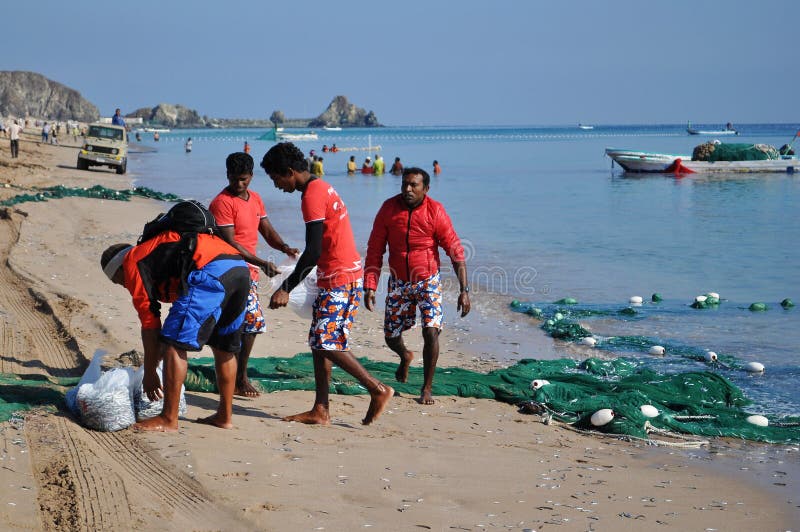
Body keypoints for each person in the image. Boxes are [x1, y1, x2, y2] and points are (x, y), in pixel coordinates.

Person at [259, 142, 393, 425]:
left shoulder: (311, 196)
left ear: (290, 171)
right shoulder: (321, 187)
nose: (277, 185)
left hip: (341, 279)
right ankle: (321, 409)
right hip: (337, 275)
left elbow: (313, 251)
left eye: (276, 178)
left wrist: (287, 287)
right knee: (318, 342)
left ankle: (377, 389)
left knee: (325, 340)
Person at [100, 230, 250, 431]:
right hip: (239, 268)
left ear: (119, 269)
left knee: (174, 344)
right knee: (224, 347)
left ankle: (169, 419)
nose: (125, 285)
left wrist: (151, 372)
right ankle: (224, 416)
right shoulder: (155, 252)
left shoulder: (132, 262)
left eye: (120, 281)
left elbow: (149, 323)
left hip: (210, 271)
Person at [364, 167, 470, 405]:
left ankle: (426, 388)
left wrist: (464, 291)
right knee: (391, 336)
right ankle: (405, 356)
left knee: (431, 330)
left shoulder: (436, 211)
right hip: (399, 282)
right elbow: (375, 249)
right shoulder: (389, 209)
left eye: (413, 185)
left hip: (427, 280)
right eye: (404, 185)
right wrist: (370, 284)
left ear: (426, 189)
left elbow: (455, 251)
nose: (408, 190)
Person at [209, 152, 298, 397]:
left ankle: (235, 375)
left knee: (242, 325)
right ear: (227, 176)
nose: (239, 184)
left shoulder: (255, 199)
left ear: (251, 177)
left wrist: (283, 247)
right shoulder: (222, 203)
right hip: (228, 269)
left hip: (249, 272)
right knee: (252, 323)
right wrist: (262, 262)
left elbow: (266, 230)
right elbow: (230, 243)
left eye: (244, 179)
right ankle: (239, 377)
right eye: (235, 179)